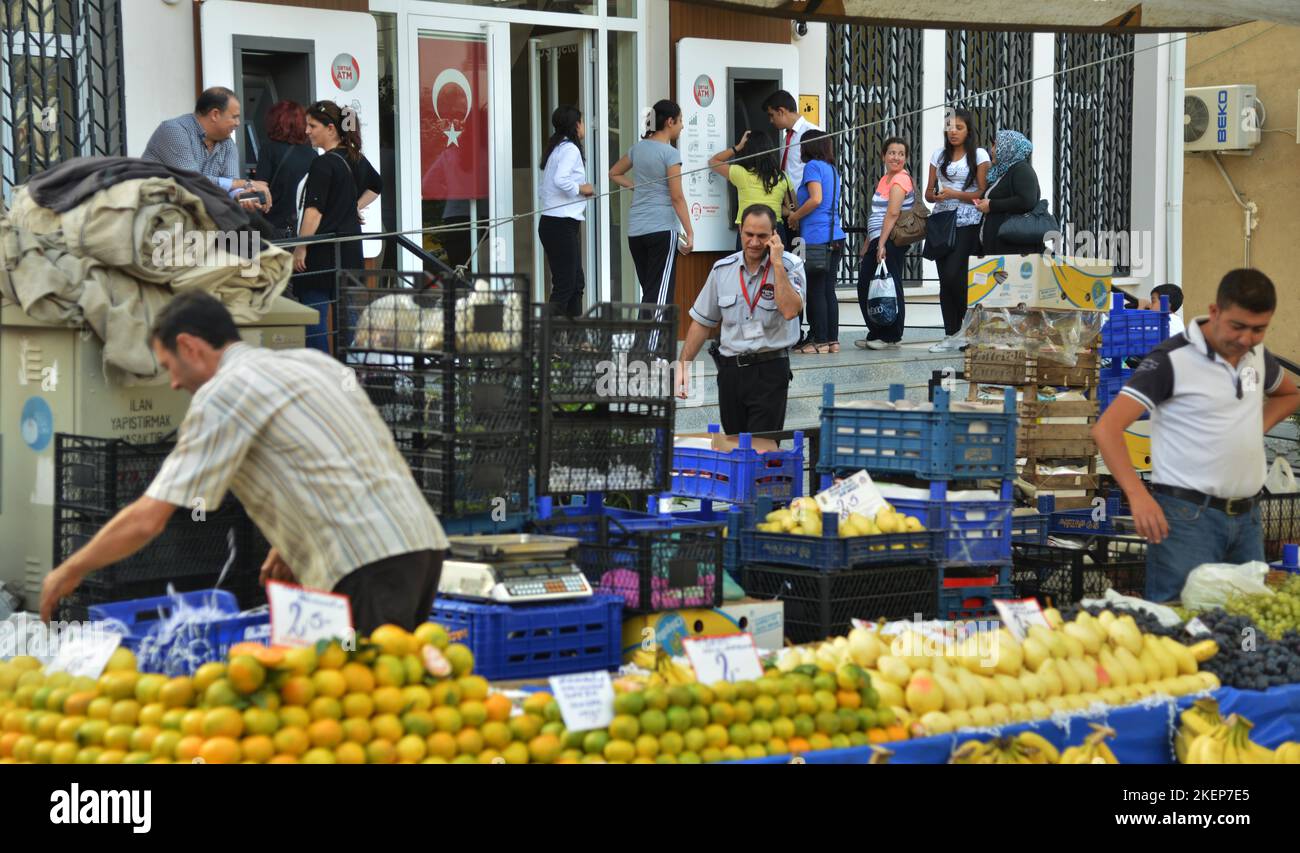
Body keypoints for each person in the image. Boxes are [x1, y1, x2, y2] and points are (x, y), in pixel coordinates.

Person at [39, 292, 450, 633]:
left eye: (168, 368)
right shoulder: (312, 363)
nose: (175, 383)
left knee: (366, 711)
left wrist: (70, 569)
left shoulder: (222, 393)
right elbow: (342, 458)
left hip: (362, 563)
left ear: (189, 347)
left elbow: (149, 517)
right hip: (418, 545)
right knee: (394, 694)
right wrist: (286, 543)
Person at [1092, 269, 1300, 604]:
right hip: (1187, 520)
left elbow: (1289, 395)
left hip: (1248, 518)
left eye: (1258, 329)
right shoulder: (1171, 360)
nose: (1247, 339)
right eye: (1238, 326)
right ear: (1215, 312)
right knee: (1181, 625)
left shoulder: (1258, 357)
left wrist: (1251, 430)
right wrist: (1138, 495)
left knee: (1246, 624)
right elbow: (1107, 428)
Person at [675, 205, 805, 434]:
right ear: (740, 231)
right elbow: (702, 321)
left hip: (770, 369)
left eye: (762, 236)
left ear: (774, 235)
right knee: (734, 446)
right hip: (730, 372)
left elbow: (789, 310)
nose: (754, 242)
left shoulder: (790, 266)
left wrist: (776, 264)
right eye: (749, 234)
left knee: (761, 449)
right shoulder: (722, 269)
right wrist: (684, 364)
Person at [293, 100, 383, 353]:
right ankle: (353, 367)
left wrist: (301, 248)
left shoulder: (323, 163)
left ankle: (323, 373)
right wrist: (353, 207)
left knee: (315, 318)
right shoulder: (354, 157)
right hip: (350, 248)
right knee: (350, 316)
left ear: (331, 128)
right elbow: (377, 186)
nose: (307, 131)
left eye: (312, 125)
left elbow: (313, 212)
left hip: (321, 251)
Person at [610, 99, 693, 311]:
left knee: (651, 293)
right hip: (662, 230)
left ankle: (647, 343)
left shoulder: (638, 149)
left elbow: (614, 173)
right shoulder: (670, 153)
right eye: (681, 121)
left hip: (636, 232)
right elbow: (677, 197)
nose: (682, 126)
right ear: (670, 121)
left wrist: (637, 187)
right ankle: (648, 344)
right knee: (659, 299)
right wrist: (690, 233)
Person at [143, 86, 271, 214]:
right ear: (215, 114)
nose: (238, 123)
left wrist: (244, 196)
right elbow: (192, 181)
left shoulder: (228, 144)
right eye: (234, 117)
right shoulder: (174, 130)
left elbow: (231, 184)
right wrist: (247, 183)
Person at [926, 108, 990, 351]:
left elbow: (981, 193)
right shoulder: (938, 155)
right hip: (942, 222)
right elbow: (928, 194)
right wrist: (937, 196)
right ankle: (951, 334)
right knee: (945, 280)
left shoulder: (979, 154)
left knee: (957, 277)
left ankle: (968, 331)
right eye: (949, 127)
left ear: (969, 131)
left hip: (968, 222)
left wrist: (954, 194)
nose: (953, 132)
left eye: (959, 127)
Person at [784, 129, 845, 354]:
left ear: (809, 147)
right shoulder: (832, 169)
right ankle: (832, 340)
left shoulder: (812, 167)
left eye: (802, 145)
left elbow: (816, 199)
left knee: (815, 291)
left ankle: (818, 340)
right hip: (835, 236)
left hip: (815, 238)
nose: (799, 150)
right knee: (829, 290)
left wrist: (794, 216)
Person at [855, 137, 915, 350]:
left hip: (891, 240)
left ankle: (891, 335)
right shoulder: (885, 179)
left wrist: (880, 244)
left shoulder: (901, 179)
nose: (896, 157)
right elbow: (876, 213)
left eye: (901, 153)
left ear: (906, 158)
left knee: (890, 286)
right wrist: (868, 242)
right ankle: (877, 332)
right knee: (867, 286)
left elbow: (892, 213)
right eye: (891, 153)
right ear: (883, 156)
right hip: (878, 239)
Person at [538, 105, 596, 318]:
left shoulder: (557, 148)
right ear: (576, 125)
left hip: (556, 222)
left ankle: (574, 340)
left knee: (575, 283)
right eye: (581, 121)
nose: (584, 126)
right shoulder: (570, 149)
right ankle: (547, 340)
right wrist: (583, 189)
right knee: (566, 285)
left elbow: (543, 188)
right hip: (560, 223)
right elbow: (560, 180)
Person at [707, 128, 792, 251]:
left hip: (749, 229)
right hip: (775, 230)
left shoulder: (740, 173)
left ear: (748, 151)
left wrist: (738, 146)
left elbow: (713, 161)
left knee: (747, 269)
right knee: (775, 267)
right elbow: (789, 208)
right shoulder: (782, 176)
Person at [974, 129, 1041, 256]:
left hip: (1013, 249)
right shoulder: (1002, 172)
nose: (992, 150)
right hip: (996, 245)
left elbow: (1027, 201)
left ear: (1009, 147)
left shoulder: (1022, 170)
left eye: (996, 145)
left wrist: (991, 205)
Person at [257, 100, 317, 239]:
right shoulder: (312, 153)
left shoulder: (268, 149)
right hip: (302, 228)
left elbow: (260, 187)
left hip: (274, 227)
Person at [763, 90, 819, 204]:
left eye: (771, 115)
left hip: (805, 203)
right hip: (788, 204)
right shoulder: (787, 138)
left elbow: (820, 173)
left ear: (781, 111)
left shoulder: (812, 133)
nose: (771, 121)